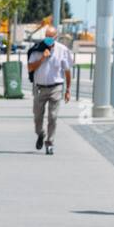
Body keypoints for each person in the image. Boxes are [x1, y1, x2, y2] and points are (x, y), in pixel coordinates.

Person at [28, 26, 72, 155]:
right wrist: (42, 58)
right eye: (46, 36)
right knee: (37, 117)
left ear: (55, 37)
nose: (47, 39)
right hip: (39, 88)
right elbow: (30, 68)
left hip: (56, 87)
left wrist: (68, 89)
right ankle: (41, 134)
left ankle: (50, 143)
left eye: (50, 36)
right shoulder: (37, 49)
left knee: (53, 116)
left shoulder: (63, 50)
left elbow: (67, 71)